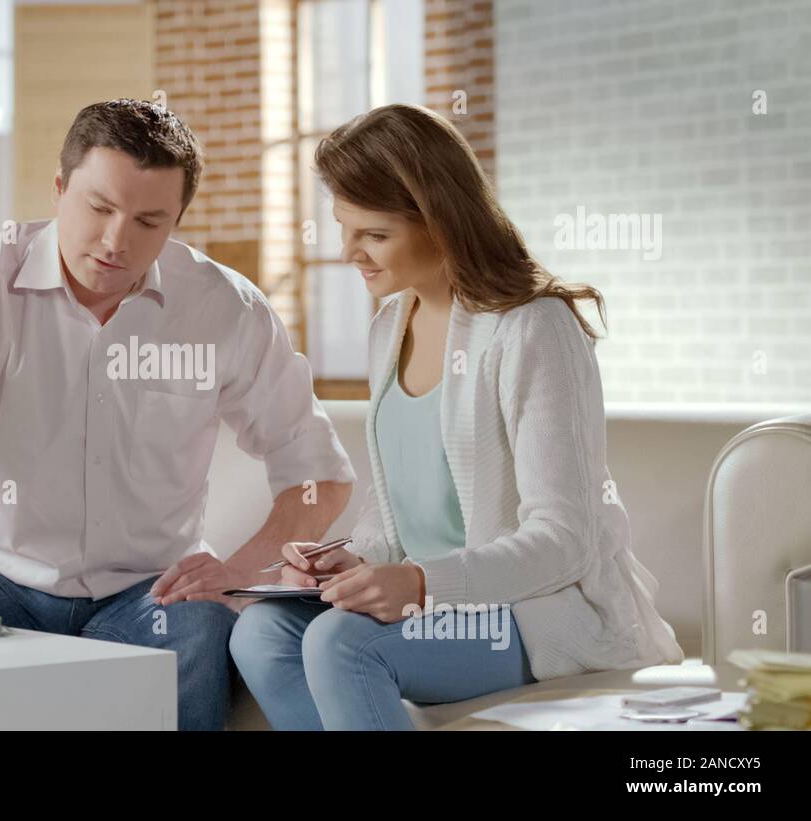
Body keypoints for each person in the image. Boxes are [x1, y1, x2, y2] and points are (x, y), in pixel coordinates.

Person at [0, 99, 356, 730]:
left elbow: (319, 473)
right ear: (59, 188)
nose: (118, 241)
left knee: (198, 623)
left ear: (177, 221)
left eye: (149, 221)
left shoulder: (226, 310)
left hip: (150, 593)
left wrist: (236, 569)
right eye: (100, 208)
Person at [229, 103, 684, 731]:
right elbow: (408, 520)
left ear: (440, 223)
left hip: (532, 612)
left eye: (375, 235)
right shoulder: (392, 324)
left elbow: (566, 541)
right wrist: (350, 558)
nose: (348, 253)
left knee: (340, 643)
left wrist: (420, 584)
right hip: (441, 605)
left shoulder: (533, 328)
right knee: (261, 630)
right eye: (344, 228)